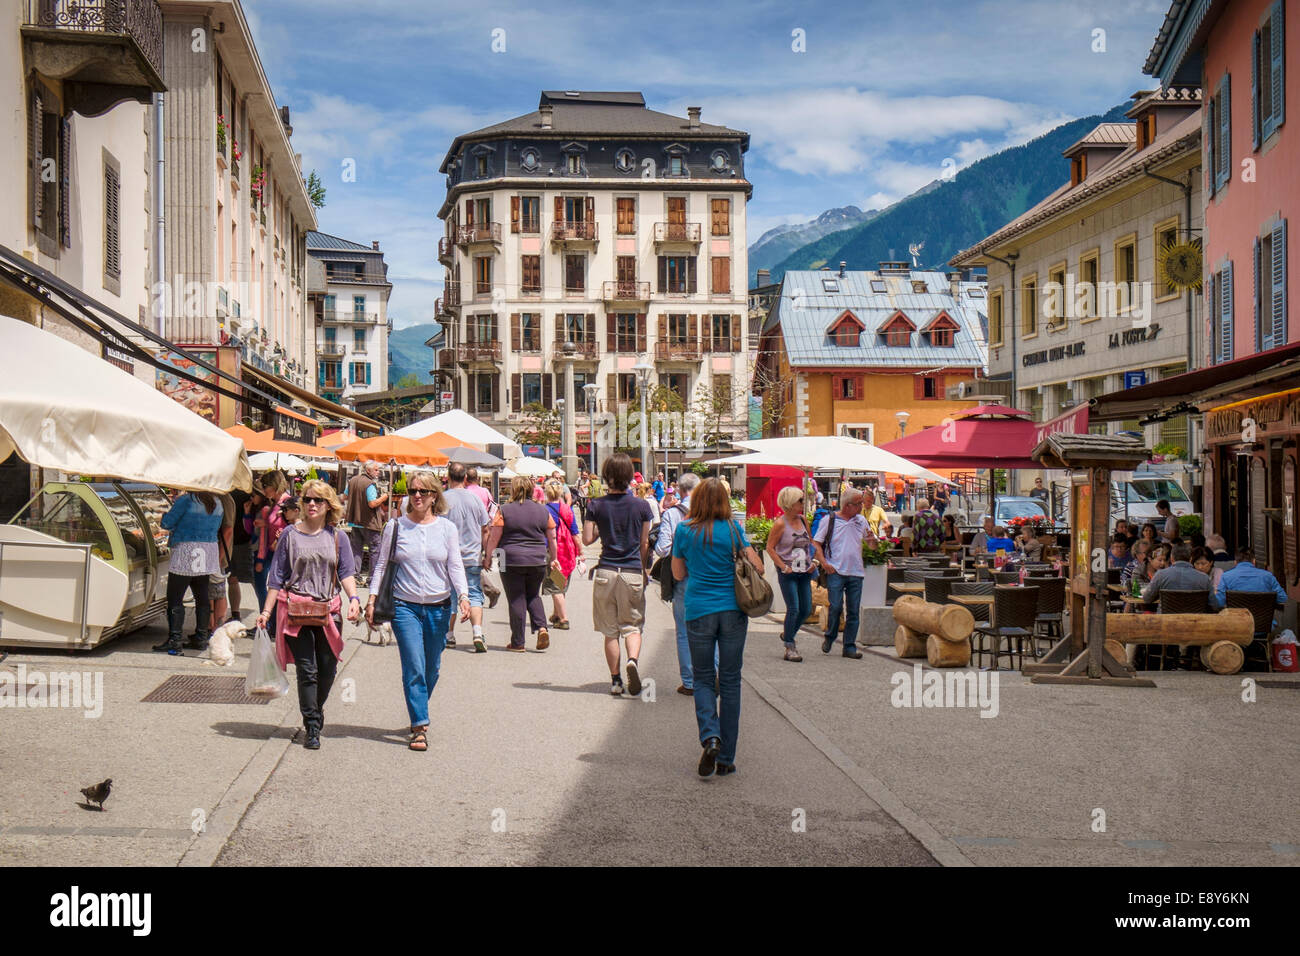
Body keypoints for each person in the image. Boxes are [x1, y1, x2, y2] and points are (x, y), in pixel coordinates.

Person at [366, 471, 470, 752]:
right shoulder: (395, 527)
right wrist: (372, 597)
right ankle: (419, 725)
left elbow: (455, 565)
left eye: (424, 491)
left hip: (438, 607)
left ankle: (418, 706)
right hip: (404, 606)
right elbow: (381, 565)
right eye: (413, 491)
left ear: (435, 495)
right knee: (413, 665)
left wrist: (463, 595)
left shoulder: (447, 529)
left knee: (431, 668)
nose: (417, 496)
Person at [256, 480, 361, 750]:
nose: (312, 504)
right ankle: (312, 725)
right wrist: (266, 612)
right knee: (308, 670)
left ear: (328, 506)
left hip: (329, 611)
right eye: (307, 500)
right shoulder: (289, 535)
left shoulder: (338, 537)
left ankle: (315, 708)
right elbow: (276, 578)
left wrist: (355, 599)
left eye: (318, 500)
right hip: (295, 610)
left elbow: (347, 572)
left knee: (328, 668)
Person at [671, 478, 762, 777]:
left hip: (698, 610)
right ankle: (726, 758)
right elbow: (758, 567)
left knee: (703, 678)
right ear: (724, 500)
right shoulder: (734, 529)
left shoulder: (684, 529)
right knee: (732, 680)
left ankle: (710, 736)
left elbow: (677, 572)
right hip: (734, 611)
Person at [583, 453, 654, 696]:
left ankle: (615, 681)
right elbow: (645, 542)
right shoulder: (642, 506)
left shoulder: (595, 505)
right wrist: (644, 570)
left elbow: (587, 538)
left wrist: (600, 526)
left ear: (607, 476)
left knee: (610, 630)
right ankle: (632, 661)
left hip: (606, 570)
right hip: (632, 570)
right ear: (628, 478)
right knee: (632, 626)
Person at [485, 476, 561, 652]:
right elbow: (552, 537)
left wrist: (488, 556)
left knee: (516, 598)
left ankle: (518, 642)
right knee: (533, 595)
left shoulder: (503, 510)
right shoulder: (543, 511)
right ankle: (542, 627)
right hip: (538, 558)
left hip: (508, 558)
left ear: (514, 489)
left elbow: (494, 537)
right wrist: (554, 558)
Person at [155, 490, 224, 655]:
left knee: (175, 597)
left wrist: (163, 516)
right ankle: (201, 638)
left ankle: (175, 641)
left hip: (186, 549)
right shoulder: (217, 502)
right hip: (207, 551)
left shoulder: (186, 500)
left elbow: (167, 524)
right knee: (202, 596)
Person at [654, 471, 704, 694]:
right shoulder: (712, 512)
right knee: (709, 628)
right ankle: (711, 675)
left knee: (684, 630)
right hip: (709, 577)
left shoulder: (673, 514)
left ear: (681, 491)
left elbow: (662, 549)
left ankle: (690, 682)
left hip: (682, 575)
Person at [811, 487, 873, 659]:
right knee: (836, 606)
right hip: (836, 570)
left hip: (856, 571)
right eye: (859, 503)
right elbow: (816, 543)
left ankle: (849, 646)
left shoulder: (861, 521)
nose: (862, 506)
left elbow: (871, 545)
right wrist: (824, 563)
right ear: (848, 505)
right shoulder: (829, 520)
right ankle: (830, 636)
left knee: (853, 611)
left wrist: (872, 540)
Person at [441, 462, 491, 652]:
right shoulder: (475, 499)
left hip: (448, 558)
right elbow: (485, 528)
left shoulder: (443, 500)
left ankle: (449, 635)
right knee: (475, 595)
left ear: (448, 477)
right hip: (472, 556)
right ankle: (477, 632)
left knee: (449, 596)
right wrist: (486, 554)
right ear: (464, 478)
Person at [766, 485, 813, 663]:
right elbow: (770, 548)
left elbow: (810, 542)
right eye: (800, 500)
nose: (803, 503)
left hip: (804, 569)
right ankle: (790, 646)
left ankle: (788, 633)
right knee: (793, 608)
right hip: (788, 571)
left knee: (806, 609)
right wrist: (783, 567)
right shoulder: (780, 524)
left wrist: (813, 561)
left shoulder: (802, 520)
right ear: (790, 503)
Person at [543, 478, 581, 630]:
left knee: (555, 587)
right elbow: (575, 533)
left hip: (552, 551)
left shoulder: (544, 510)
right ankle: (557, 614)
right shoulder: (567, 510)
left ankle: (564, 619)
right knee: (560, 583)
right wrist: (581, 552)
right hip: (567, 551)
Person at [344, 462, 390, 583]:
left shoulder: (352, 480)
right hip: (369, 522)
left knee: (356, 549)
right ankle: (372, 578)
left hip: (355, 521)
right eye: (376, 470)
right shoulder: (369, 484)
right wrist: (384, 497)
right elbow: (372, 503)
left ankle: (355, 575)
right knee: (374, 550)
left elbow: (344, 496)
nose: (378, 472)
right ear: (368, 471)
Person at [1143, 541, 1220, 610]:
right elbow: (1214, 606)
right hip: (1194, 622)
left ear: (1172, 558)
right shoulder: (1204, 578)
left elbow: (1147, 599)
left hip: (1166, 622)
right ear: (1191, 559)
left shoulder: (1161, 575)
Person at [1216, 546, 1287, 608]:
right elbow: (1282, 598)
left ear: (1235, 562)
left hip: (1237, 622)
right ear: (1254, 561)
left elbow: (1219, 602)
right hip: (1264, 622)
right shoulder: (1268, 576)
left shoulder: (1226, 577)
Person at [227, 486, 252, 620]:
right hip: (235, 541)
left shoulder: (241, 493)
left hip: (241, 542)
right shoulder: (245, 492)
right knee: (232, 578)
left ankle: (267, 617)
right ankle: (235, 614)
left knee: (252, 578)